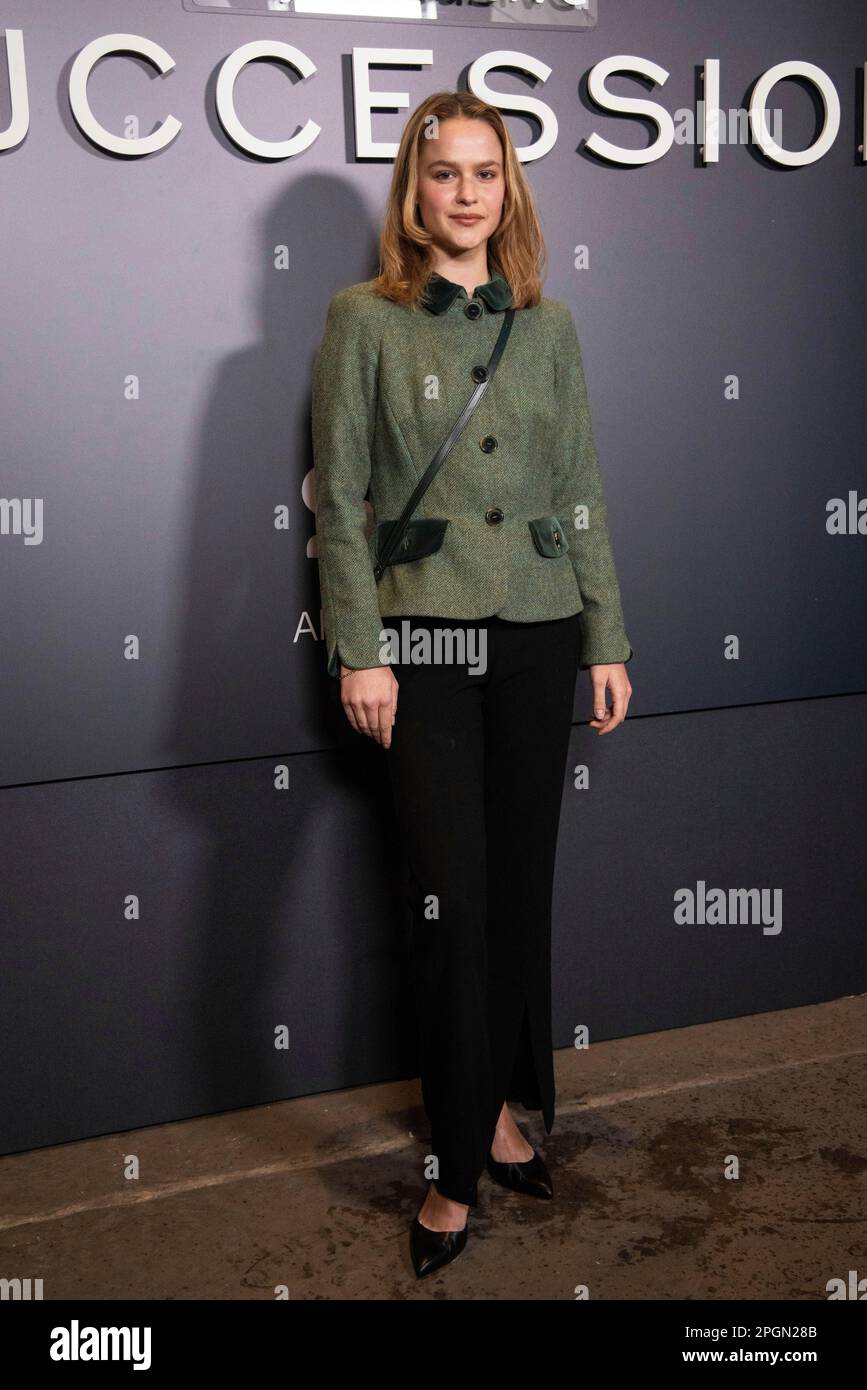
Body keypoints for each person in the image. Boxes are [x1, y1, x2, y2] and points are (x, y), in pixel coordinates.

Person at [311, 90, 633, 1278]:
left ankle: (497, 1107)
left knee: (513, 897)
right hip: (428, 646)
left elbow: (582, 482)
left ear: (510, 188)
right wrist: (362, 647)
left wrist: (609, 635)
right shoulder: (364, 320)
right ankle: (453, 1165)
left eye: (485, 172)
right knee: (449, 906)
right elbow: (340, 496)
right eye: (444, 173)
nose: (465, 193)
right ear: (415, 191)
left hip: (542, 631)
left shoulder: (549, 327)